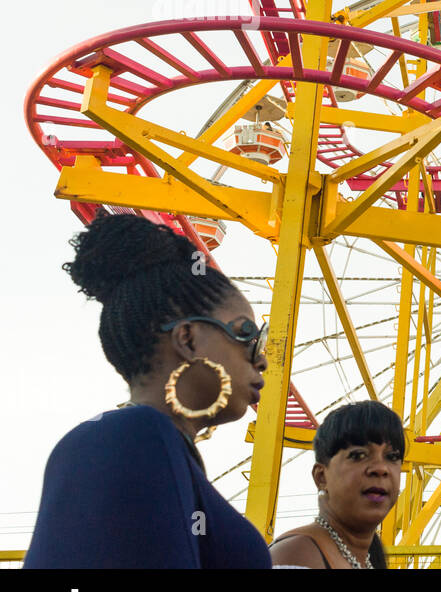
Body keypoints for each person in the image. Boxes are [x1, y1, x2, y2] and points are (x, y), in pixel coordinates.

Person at [25, 212, 271, 568]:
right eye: (248, 335)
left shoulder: (129, 440)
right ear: (187, 338)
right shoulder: (135, 436)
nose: (261, 360)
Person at [270, 401, 404, 569]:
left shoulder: (366, 560)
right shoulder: (297, 555)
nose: (380, 468)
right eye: (359, 455)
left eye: (391, 457)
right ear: (321, 477)